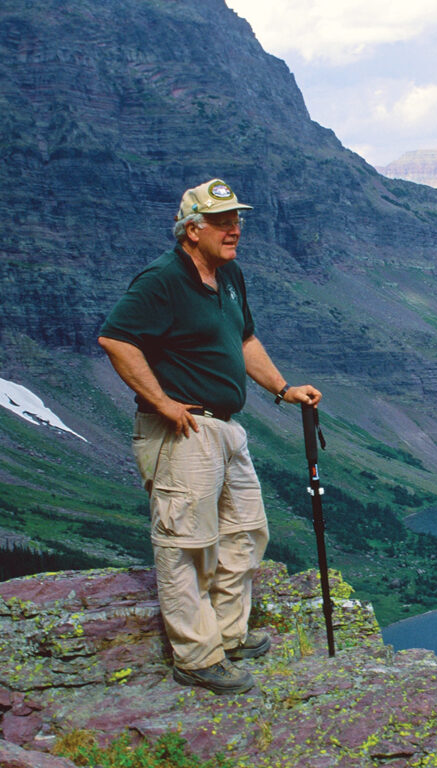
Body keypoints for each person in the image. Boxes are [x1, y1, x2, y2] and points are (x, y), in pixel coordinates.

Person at [98, 178, 321, 695]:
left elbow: (243, 339)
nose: (234, 229)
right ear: (191, 229)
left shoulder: (228, 275)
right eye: (223, 222)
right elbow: (115, 338)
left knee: (245, 531)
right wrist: (161, 402)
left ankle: (227, 634)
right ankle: (197, 657)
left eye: (237, 220)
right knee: (187, 544)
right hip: (183, 429)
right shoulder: (162, 279)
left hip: (226, 426)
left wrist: (284, 388)